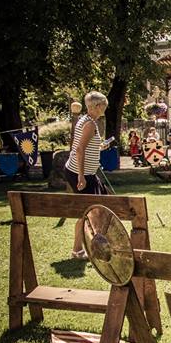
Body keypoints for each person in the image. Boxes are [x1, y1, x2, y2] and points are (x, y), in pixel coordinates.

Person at [66, 91, 109, 259]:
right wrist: (81, 176)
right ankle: (81, 249)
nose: (105, 108)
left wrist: (99, 148)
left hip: (87, 173)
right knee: (90, 211)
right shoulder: (90, 124)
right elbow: (79, 149)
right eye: (104, 105)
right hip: (81, 173)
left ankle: (88, 246)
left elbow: (85, 146)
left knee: (99, 207)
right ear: (97, 106)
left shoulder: (86, 120)